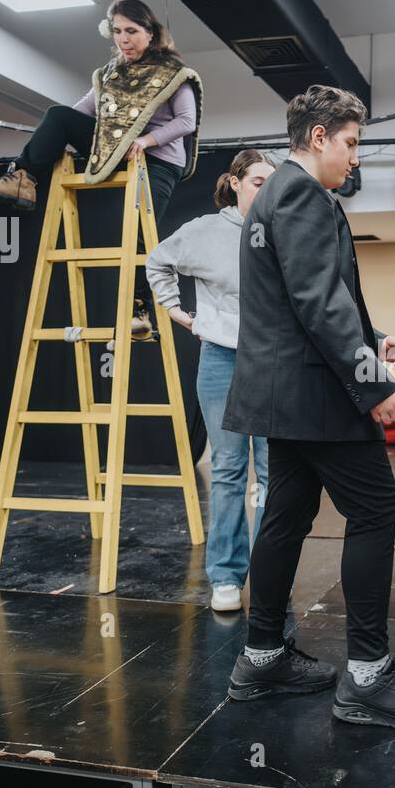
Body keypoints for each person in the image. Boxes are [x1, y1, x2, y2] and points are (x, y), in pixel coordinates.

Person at [220, 84, 395, 729]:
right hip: (314, 395)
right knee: (377, 511)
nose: (356, 158)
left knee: (285, 516)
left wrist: (372, 341)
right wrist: (374, 383)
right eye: (352, 143)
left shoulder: (273, 195)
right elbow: (320, 303)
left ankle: (262, 658)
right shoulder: (300, 194)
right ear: (319, 137)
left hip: (283, 394)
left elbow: (301, 301)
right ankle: (369, 680)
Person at [0, 0, 203, 338]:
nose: (124, 39)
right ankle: (23, 178)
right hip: (115, 149)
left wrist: (145, 141)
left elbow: (186, 121)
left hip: (157, 160)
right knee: (58, 116)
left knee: (139, 232)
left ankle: (139, 311)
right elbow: (79, 113)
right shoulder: (110, 74)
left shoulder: (172, 74)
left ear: (150, 33)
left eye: (132, 31)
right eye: (118, 31)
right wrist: (52, 135)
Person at [144, 150, 275, 613]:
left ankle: (268, 575)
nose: (266, 191)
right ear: (236, 182)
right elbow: (157, 261)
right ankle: (224, 576)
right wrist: (178, 312)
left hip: (274, 364)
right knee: (227, 470)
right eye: (259, 181)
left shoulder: (282, 230)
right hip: (221, 359)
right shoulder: (204, 232)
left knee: (274, 473)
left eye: (272, 184)